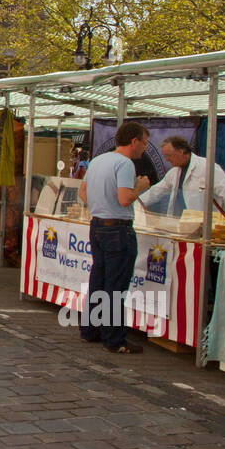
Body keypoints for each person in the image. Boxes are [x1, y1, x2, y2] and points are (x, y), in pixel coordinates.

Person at [76, 122, 151, 354]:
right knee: (115, 285)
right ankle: (114, 339)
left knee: (98, 280)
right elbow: (125, 199)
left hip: (97, 226)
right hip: (117, 229)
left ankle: (90, 329)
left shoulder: (99, 160)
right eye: (144, 143)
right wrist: (140, 187)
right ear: (134, 141)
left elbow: (82, 192)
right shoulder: (125, 163)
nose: (145, 149)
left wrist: (101, 205)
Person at [137, 135, 225, 219]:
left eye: (169, 155)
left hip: (204, 226)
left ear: (181, 151)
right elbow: (156, 192)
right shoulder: (174, 173)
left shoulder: (207, 167)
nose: (166, 159)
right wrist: (136, 204)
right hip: (179, 224)